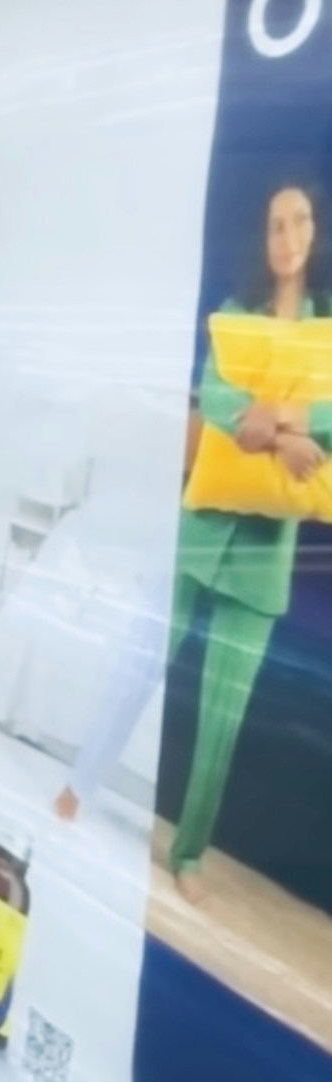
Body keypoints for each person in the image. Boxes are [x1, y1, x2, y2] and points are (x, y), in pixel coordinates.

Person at [165, 177, 332, 891]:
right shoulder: (234, 315)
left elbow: (325, 422)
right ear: (261, 240)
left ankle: (189, 852)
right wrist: (280, 431)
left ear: (315, 231)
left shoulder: (327, 328)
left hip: (266, 555)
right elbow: (219, 396)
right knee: (144, 659)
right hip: (201, 526)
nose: (288, 237)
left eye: (299, 222)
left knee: (223, 716)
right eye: (275, 225)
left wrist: (286, 426)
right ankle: (90, 776)